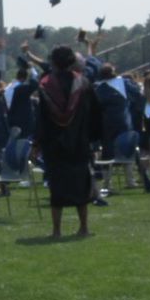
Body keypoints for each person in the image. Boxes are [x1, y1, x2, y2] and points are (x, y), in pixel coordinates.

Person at [33, 44, 101, 238]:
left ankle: (56, 231)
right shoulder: (84, 84)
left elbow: (41, 118)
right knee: (81, 185)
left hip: (54, 143)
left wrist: (37, 143)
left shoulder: (45, 86)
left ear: (53, 62)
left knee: (57, 186)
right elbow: (95, 113)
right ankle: (84, 228)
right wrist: (94, 139)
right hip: (79, 141)